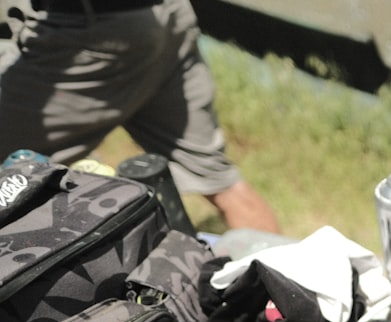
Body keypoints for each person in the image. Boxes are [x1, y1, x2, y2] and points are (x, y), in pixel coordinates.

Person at [0, 0, 279, 232]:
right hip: (166, 15)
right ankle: (286, 291)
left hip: (93, 30)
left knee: (16, 170)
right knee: (220, 180)